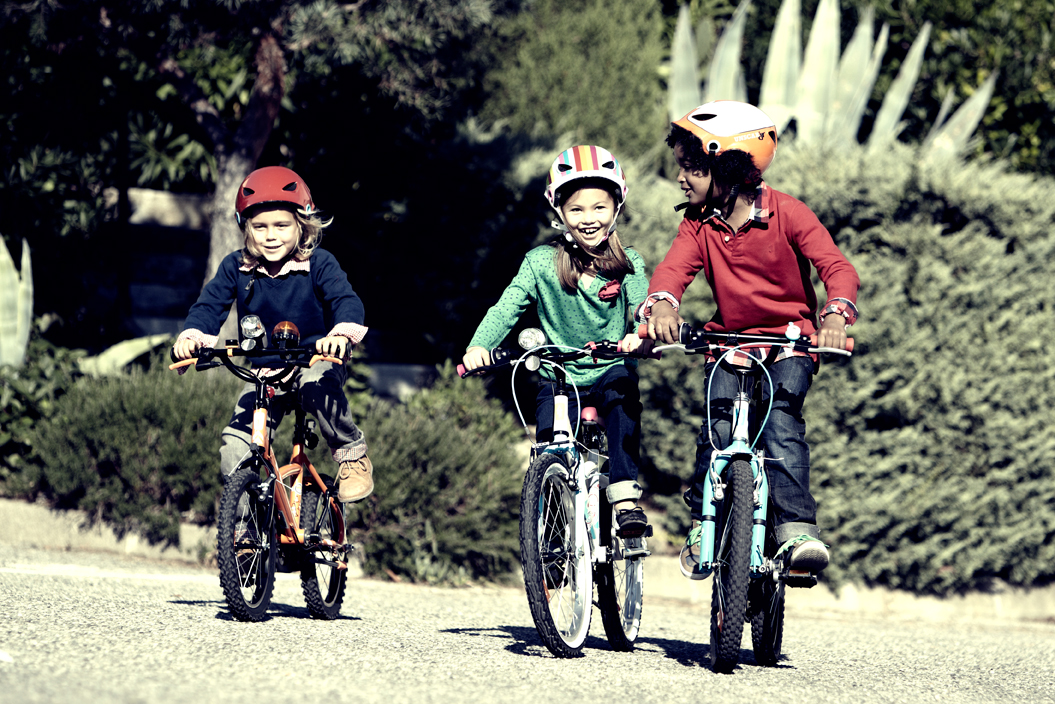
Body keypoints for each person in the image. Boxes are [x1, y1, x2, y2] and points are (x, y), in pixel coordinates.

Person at [640, 101, 859, 579]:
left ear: (729, 168)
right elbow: (672, 271)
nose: (681, 178)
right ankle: (703, 524)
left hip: (790, 343)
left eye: (693, 168)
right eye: (681, 167)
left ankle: (796, 532)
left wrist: (835, 316)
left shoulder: (788, 213)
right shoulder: (697, 223)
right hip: (728, 344)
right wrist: (662, 307)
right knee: (717, 430)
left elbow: (836, 267)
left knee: (781, 425)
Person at [462, 145, 652, 537]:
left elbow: (641, 303)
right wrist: (479, 346)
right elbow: (507, 308)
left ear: (616, 207)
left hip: (610, 366)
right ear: (560, 213)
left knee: (623, 405)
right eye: (576, 209)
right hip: (559, 373)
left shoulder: (628, 261)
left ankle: (624, 499)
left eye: (599, 207)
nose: (588, 218)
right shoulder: (539, 263)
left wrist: (642, 333)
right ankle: (550, 533)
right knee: (549, 447)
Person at [172, 166, 373, 503]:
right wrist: (192, 339)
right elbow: (209, 305)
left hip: (316, 360)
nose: (270, 235)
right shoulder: (237, 267)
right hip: (265, 371)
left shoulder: (318, 263)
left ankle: (352, 456)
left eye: (281, 225)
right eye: (260, 227)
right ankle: (245, 527)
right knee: (235, 444)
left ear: (302, 225)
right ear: (245, 228)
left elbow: (345, 300)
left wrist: (340, 336)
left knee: (316, 385)